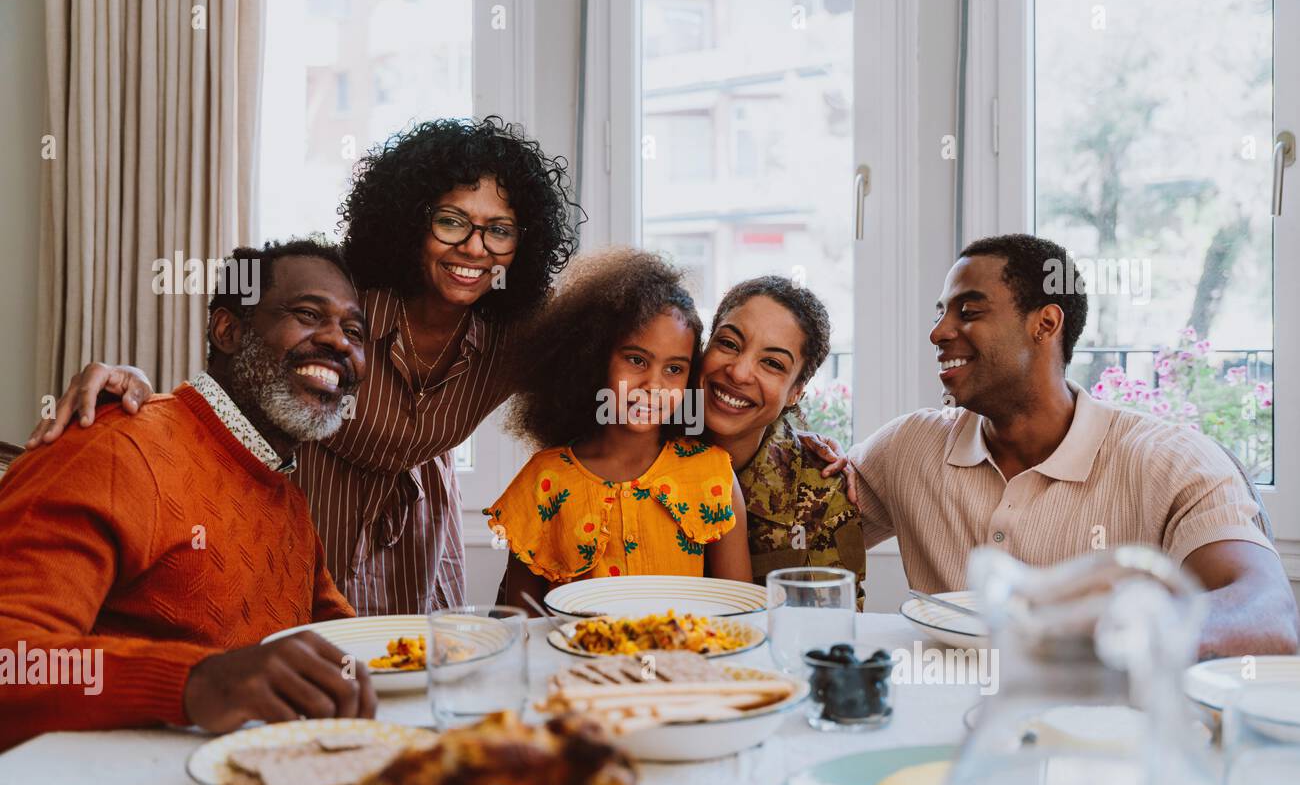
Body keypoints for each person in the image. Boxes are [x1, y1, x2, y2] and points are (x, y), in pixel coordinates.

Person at [28, 117, 580, 615]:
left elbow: (622, 368)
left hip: (419, 525)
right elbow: (244, 360)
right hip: (308, 499)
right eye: (452, 221)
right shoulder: (346, 298)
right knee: (297, 662)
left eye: (499, 230)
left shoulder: (521, 335)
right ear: (414, 222)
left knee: (417, 677)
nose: (475, 248)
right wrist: (139, 387)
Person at [844, 233, 1298, 659]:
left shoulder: (1171, 461)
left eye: (969, 311)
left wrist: (1103, 636)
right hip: (942, 723)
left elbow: (1268, 618)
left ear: (1045, 323)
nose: (939, 332)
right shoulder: (908, 447)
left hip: (1101, 731)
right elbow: (796, 531)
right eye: (940, 313)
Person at [0, 240, 377, 751]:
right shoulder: (114, 447)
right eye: (309, 314)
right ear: (228, 330)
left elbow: (343, 645)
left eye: (355, 332)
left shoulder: (285, 497)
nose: (338, 341)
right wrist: (199, 681)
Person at [487, 249, 751, 609]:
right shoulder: (543, 480)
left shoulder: (713, 475)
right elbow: (521, 627)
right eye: (636, 360)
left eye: (674, 369)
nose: (653, 385)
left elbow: (743, 614)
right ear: (593, 357)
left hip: (686, 664)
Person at [698, 276, 865, 603]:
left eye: (772, 364)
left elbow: (827, 639)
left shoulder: (822, 492)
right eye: (729, 344)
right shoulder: (640, 448)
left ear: (795, 392)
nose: (740, 372)